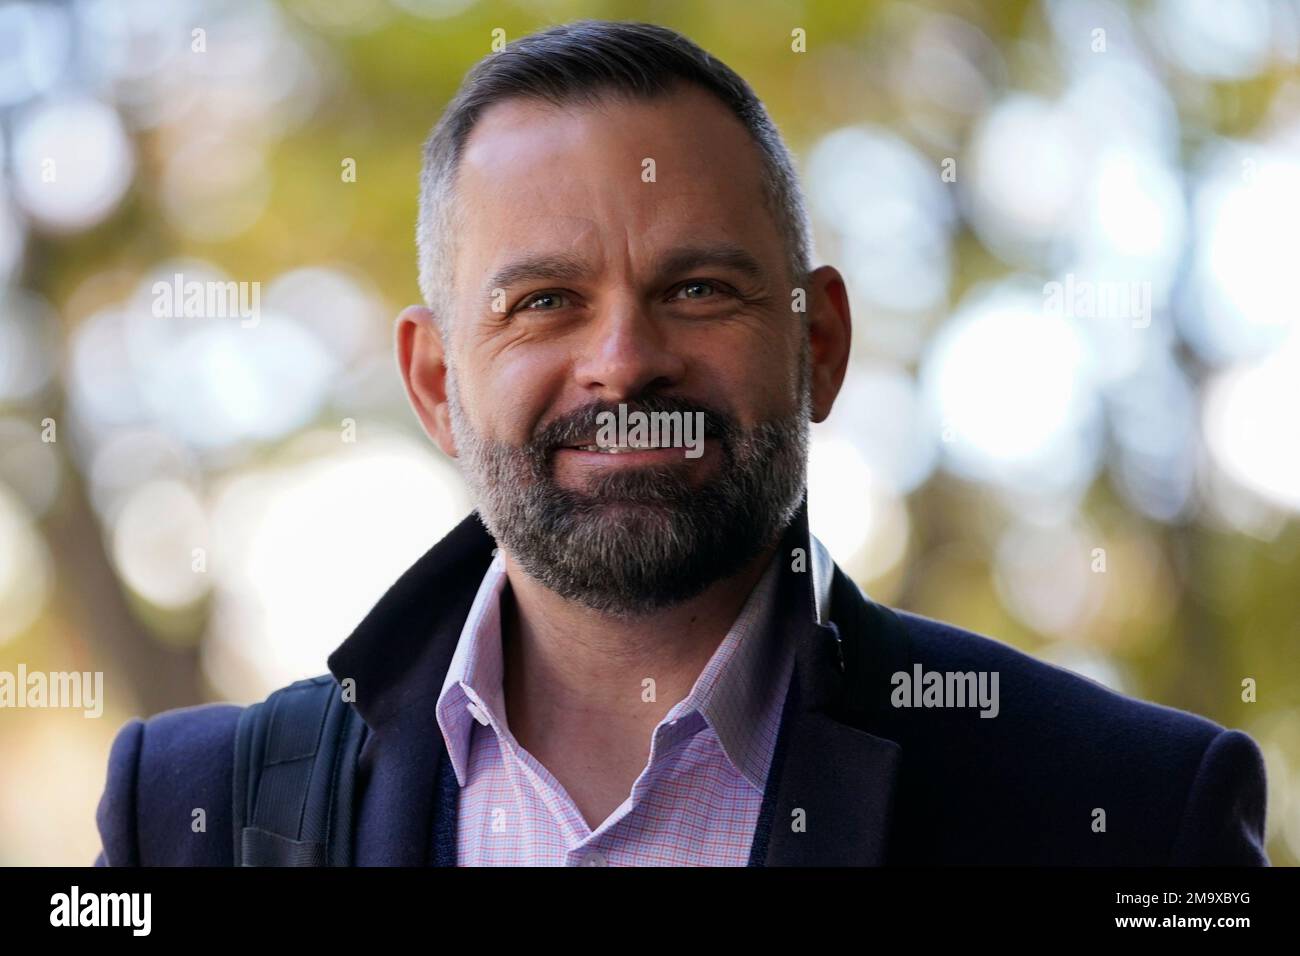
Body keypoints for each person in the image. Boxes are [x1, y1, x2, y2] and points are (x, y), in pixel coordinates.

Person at [94, 19, 1268, 866]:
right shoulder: (190, 817)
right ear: (437, 381)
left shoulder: (1129, 811)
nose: (625, 358)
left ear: (820, 345)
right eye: (545, 300)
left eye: (698, 287)